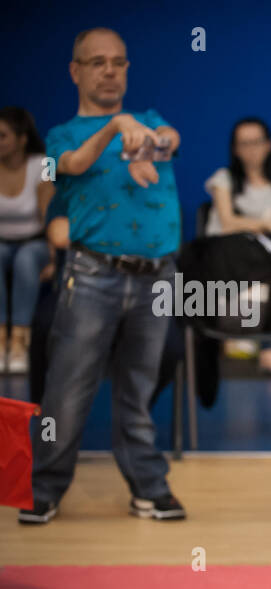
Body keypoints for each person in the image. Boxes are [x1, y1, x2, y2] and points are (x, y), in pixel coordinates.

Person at [20, 28, 185, 525]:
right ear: (76, 71)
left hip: (158, 279)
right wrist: (117, 128)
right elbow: (67, 166)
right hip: (91, 277)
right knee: (67, 391)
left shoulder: (150, 122)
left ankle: (148, 488)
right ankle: (43, 489)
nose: (110, 70)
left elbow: (169, 142)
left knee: (138, 389)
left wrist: (148, 143)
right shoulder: (58, 137)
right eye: (97, 62)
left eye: (118, 61)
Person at [203, 117, 271, 376]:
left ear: (268, 145)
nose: (251, 149)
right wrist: (270, 225)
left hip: (257, 270)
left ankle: (254, 346)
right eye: (244, 143)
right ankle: (252, 347)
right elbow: (227, 223)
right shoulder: (223, 179)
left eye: (256, 142)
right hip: (221, 268)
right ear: (235, 149)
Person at [0, 106, 56, 375]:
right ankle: (1, 341)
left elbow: (50, 211)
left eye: (2, 136)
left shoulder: (44, 164)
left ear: (22, 139)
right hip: (1, 244)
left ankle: (20, 342)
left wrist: (54, 257)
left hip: (36, 242)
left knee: (25, 259)